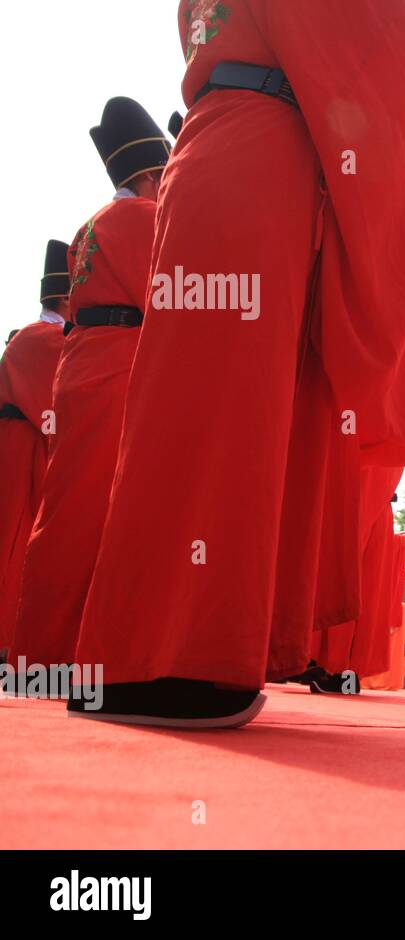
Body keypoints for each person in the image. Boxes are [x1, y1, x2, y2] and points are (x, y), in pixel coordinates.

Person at [70, 1, 405, 728]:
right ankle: (185, 657)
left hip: (215, 155)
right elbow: (404, 38)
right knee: (232, 407)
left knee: (190, 403)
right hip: (261, 167)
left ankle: (152, 647)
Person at [11, 99, 166, 677]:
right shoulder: (146, 219)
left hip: (83, 364)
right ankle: (69, 655)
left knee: (67, 512)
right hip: (118, 367)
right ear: (151, 175)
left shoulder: (92, 223)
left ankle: (40, 653)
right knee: (99, 517)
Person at [0, 242, 70, 661]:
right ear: (64, 298)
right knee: (18, 540)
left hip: (17, 442)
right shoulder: (48, 339)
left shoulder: (28, 336)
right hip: (25, 448)